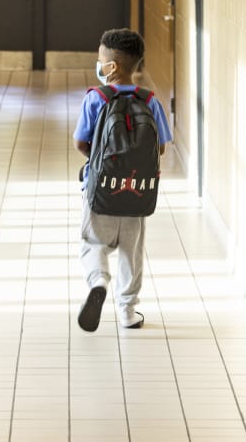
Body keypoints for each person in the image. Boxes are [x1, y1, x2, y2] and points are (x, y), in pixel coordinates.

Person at [74, 27, 172, 332]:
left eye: (101, 60)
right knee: (132, 252)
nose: (99, 65)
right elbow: (161, 147)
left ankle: (98, 281)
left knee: (93, 244)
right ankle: (128, 311)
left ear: (112, 67)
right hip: (137, 195)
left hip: (100, 193)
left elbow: (80, 142)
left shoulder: (96, 99)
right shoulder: (150, 100)